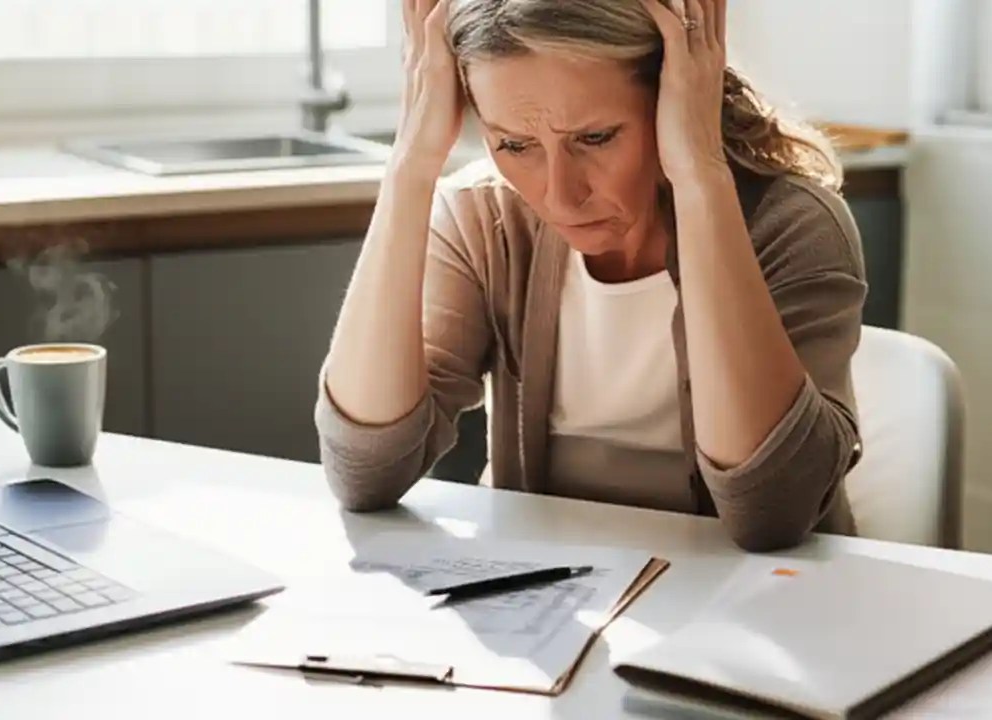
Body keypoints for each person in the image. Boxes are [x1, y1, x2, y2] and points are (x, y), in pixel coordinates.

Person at [315, 0, 867, 552]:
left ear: (674, 94)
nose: (560, 194)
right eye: (515, 144)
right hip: (552, 615)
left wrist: (700, 177)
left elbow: (773, 512)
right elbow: (367, 474)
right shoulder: (485, 220)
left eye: (596, 137)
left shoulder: (792, 225)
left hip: (765, 616)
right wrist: (410, 165)